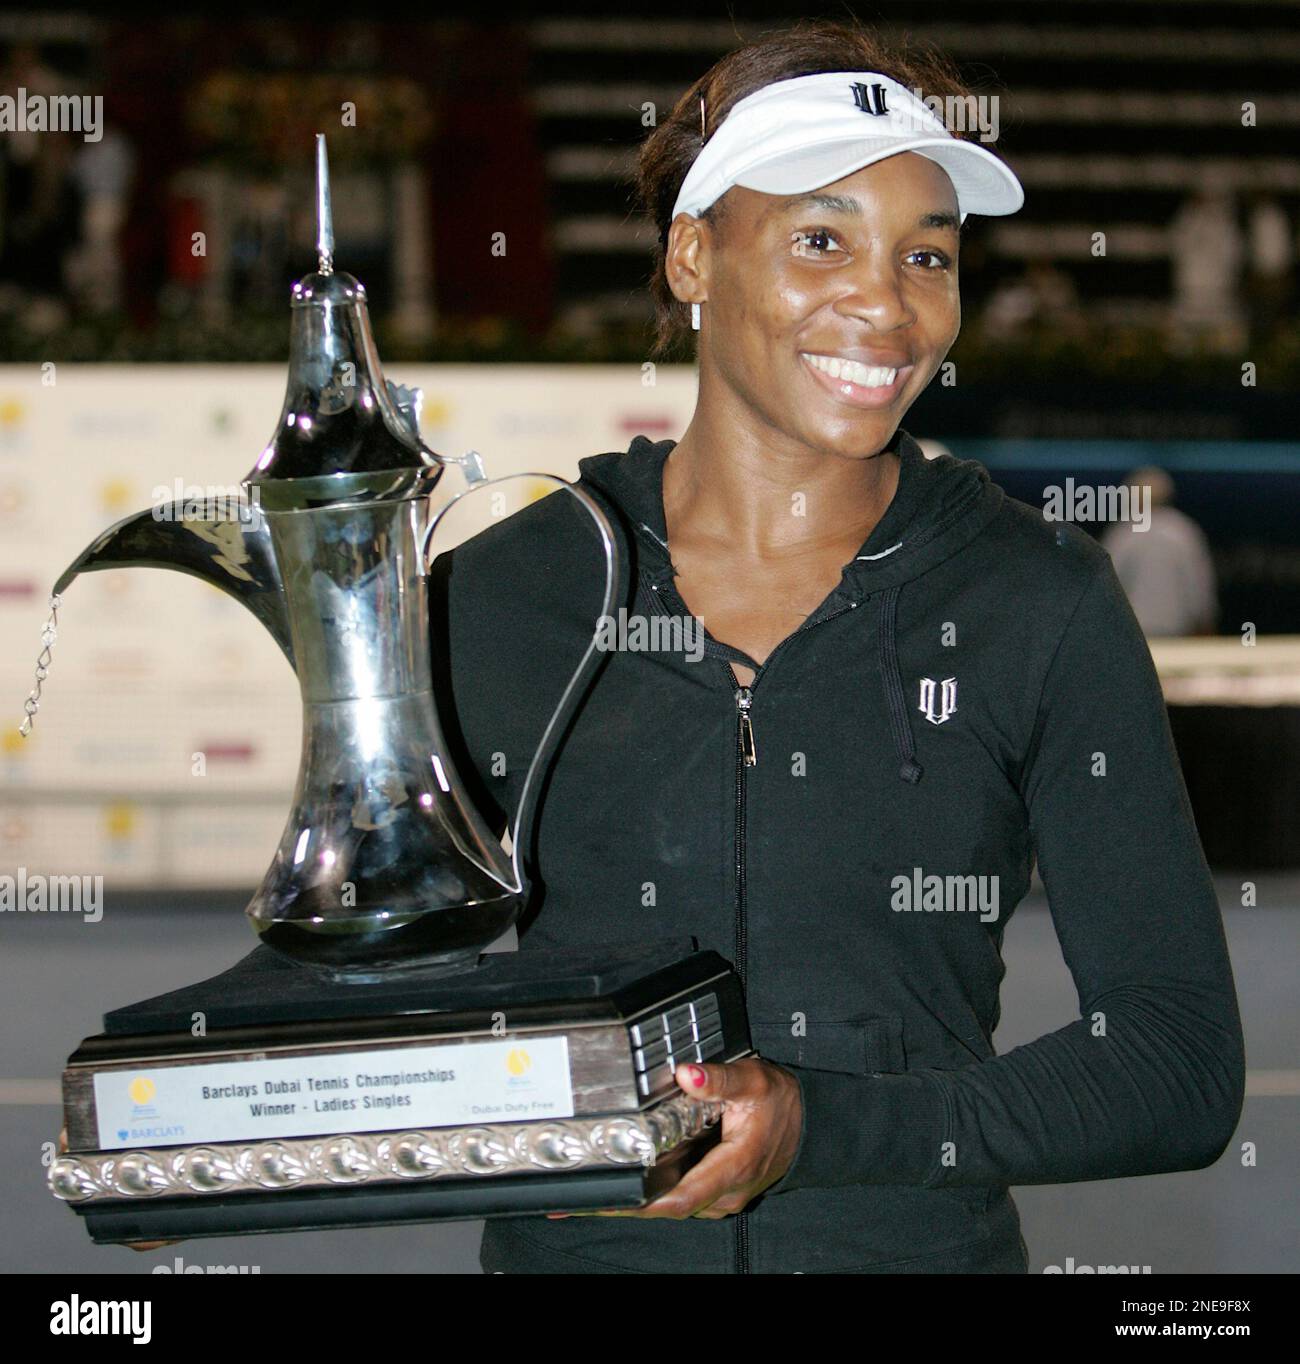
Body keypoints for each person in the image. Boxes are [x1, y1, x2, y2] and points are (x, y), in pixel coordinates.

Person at [430, 20, 1244, 1274]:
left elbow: (1175, 1061)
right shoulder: (499, 594)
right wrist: (171, 1127)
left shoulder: (1041, 597)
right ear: (694, 255)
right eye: (821, 239)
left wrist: (821, 1126)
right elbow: (355, 992)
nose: (887, 303)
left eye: (928, 254)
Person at [1101, 467, 1218, 637]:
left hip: (1133, 636)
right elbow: (1199, 594)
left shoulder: (1123, 533)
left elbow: (1106, 591)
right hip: (1176, 632)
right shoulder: (1184, 530)